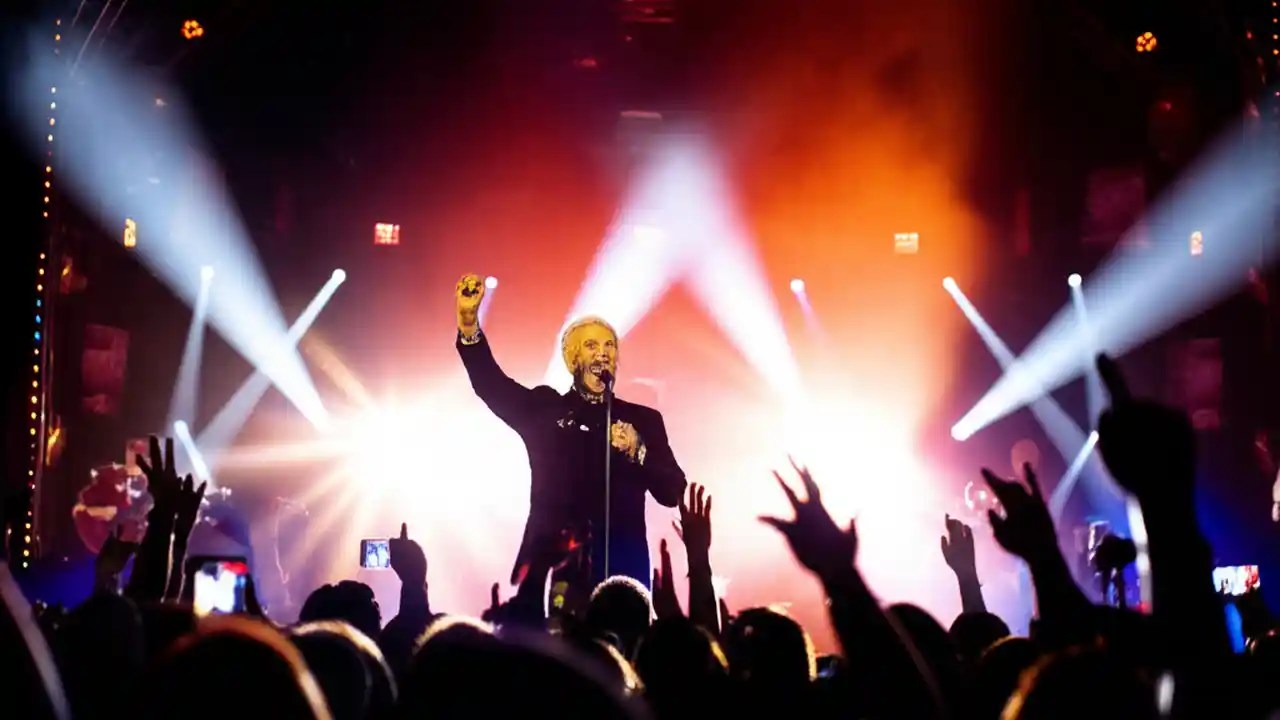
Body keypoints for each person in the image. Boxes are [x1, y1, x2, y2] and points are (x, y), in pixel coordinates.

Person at [453, 273, 687, 589]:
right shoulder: (546, 411)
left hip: (624, 567)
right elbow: (491, 385)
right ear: (572, 357)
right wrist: (469, 328)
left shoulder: (643, 421)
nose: (602, 353)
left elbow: (673, 492)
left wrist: (640, 451)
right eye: (591, 345)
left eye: (609, 346)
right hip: (556, 564)